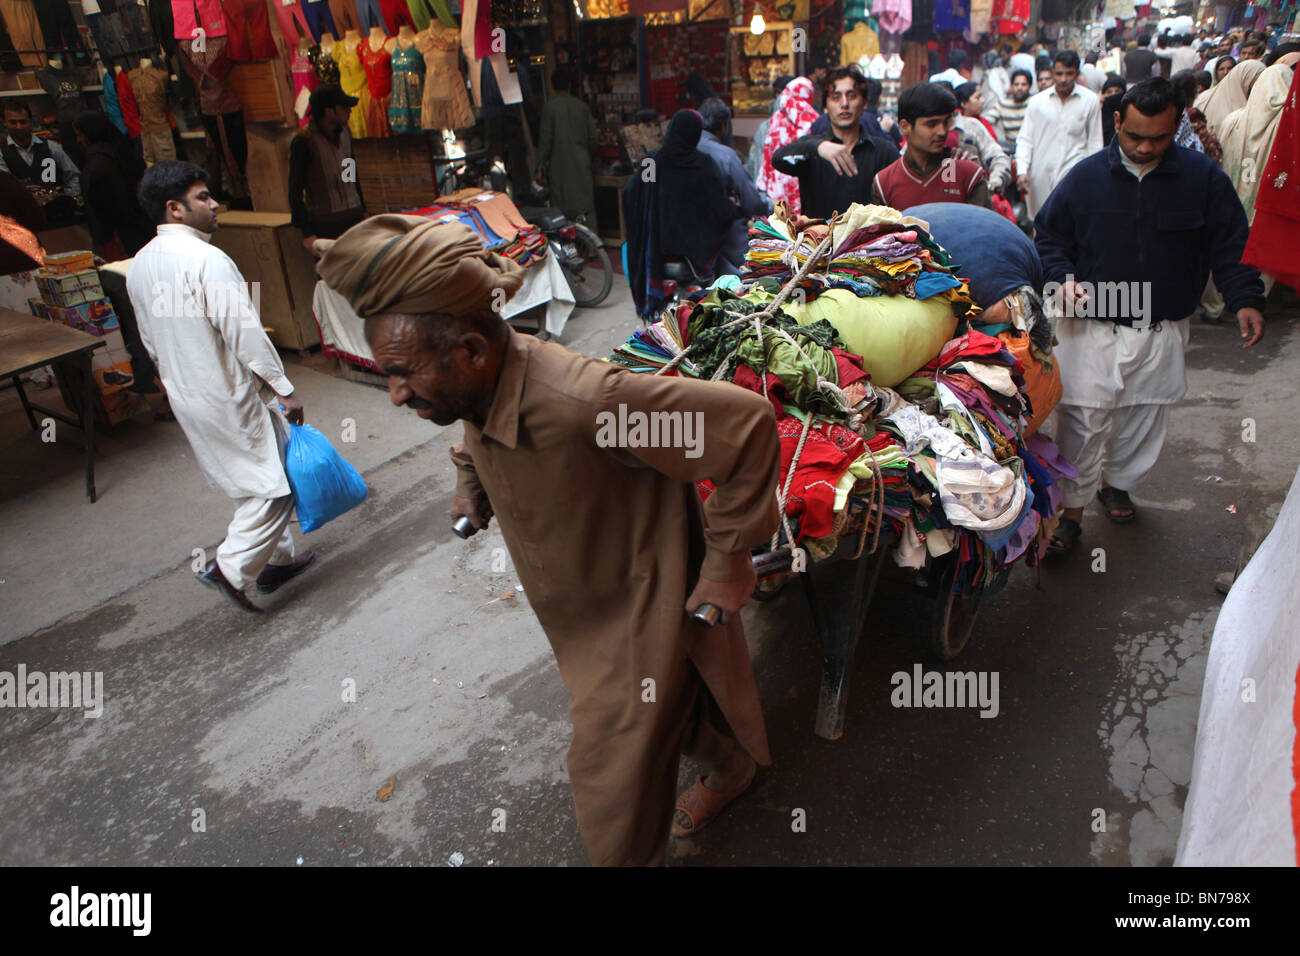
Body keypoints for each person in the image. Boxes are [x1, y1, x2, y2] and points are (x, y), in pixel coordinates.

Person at [316, 213, 780, 867]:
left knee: (607, 784)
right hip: (573, 608)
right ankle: (729, 767)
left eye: (403, 373)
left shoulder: (589, 404)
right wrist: (468, 486)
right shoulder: (478, 386)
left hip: (637, 615)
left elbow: (748, 431)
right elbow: (478, 432)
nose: (394, 395)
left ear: (472, 352)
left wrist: (729, 562)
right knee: (666, 713)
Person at [1033, 78, 1265, 554]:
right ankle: (1070, 513)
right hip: (1093, 324)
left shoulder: (1202, 179)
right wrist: (1063, 278)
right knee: (1083, 420)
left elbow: (1230, 244)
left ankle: (1116, 484)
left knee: (1142, 417)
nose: (1144, 147)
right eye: (1134, 135)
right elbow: (1050, 239)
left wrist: (1245, 298)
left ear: (1176, 124)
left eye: (1157, 138)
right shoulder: (1086, 177)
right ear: (1117, 121)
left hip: (1162, 325)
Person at [126, 161, 315, 611]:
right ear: (175, 209)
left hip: (187, 394)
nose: (215, 205)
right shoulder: (207, 259)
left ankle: (277, 561)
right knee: (277, 484)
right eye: (204, 198)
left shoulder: (140, 264)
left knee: (246, 482)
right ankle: (229, 569)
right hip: (228, 393)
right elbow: (244, 331)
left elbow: (149, 339)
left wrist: (168, 378)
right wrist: (282, 388)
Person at [621, 110, 743, 314]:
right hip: (696, 255)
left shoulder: (653, 161)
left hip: (657, 251)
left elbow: (633, 194)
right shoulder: (704, 164)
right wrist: (733, 207)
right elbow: (720, 210)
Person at [770, 67, 899, 220]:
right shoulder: (813, 149)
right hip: (819, 240)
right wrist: (818, 147)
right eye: (836, 97)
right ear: (825, 106)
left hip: (869, 242)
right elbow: (778, 159)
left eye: (851, 96)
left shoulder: (883, 151)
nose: (844, 104)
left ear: (864, 102)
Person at [873, 83, 990, 210]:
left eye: (946, 122)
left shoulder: (969, 175)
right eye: (932, 124)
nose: (942, 131)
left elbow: (983, 226)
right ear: (905, 126)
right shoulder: (884, 183)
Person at [1016, 51, 1102, 221]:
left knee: (1072, 225)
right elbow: (1026, 139)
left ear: (1077, 74)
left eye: (1069, 73)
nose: (1064, 79)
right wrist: (1022, 170)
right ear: (1053, 73)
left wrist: (1093, 178)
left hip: (1075, 175)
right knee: (1041, 224)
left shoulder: (1090, 101)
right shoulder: (1037, 103)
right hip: (1040, 177)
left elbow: (1095, 142)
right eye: (1059, 73)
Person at [289, 84, 366, 255]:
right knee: (333, 277)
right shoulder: (304, 141)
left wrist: (362, 209)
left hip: (353, 218)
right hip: (326, 225)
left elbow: (351, 176)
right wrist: (307, 233)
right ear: (328, 111)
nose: (349, 110)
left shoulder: (345, 133)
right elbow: (295, 192)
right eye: (344, 107)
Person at [697, 97, 771, 274]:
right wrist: (769, 205)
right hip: (721, 236)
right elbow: (752, 202)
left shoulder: (685, 149)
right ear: (724, 125)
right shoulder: (725, 156)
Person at [72, 110, 154, 258]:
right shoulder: (123, 153)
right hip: (145, 230)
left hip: (121, 237)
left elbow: (100, 208)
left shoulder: (96, 165)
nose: (78, 140)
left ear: (90, 133)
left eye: (79, 135)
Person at [0, 101, 80, 225]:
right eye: (12, 122)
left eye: (23, 121)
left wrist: (68, 199)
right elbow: (6, 189)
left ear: (31, 121)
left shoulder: (51, 147)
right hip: (24, 221)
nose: (18, 127)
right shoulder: (1, 153)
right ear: (4, 122)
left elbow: (74, 176)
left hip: (60, 218)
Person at [537, 71, 598, 231]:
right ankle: (592, 243)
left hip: (559, 165)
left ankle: (570, 243)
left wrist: (540, 165)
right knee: (587, 205)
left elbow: (545, 141)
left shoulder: (549, 108)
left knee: (562, 206)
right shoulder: (582, 107)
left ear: (552, 86)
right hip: (582, 161)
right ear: (570, 85)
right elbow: (593, 139)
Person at [757, 76, 820, 216]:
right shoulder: (813, 119)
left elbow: (768, 152)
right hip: (803, 182)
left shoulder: (777, 118)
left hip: (778, 179)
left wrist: (764, 183)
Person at [1194, 58, 1265, 138]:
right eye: (1221, 69)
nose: (1225, 72)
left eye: (1229, 68)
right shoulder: (1203, 98)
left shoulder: (1258, 104)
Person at [985, 68, 1033, 149]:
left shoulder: (1034, 102)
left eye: (1023, 84)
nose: (1019, 88)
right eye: (1016, 84)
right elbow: (987, 121)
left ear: (1030, 86)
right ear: (1011, 86)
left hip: (1031, 147)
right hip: (1011, 148)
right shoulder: (1003, 103)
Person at [1100, 74, 1126, 145]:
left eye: (1117, 91)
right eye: (1109, 92)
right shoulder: (1099, 112)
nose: (1113, 95)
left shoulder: (1128, 113)